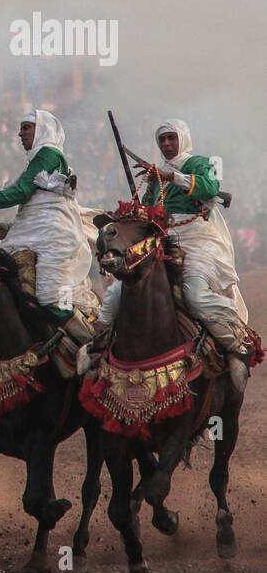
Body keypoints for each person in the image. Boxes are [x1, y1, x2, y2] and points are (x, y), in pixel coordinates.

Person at [96, 119, 255, 384]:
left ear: (182, 138)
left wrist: (169, 175)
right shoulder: (154, 176)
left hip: (197, 237)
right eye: (162, 140)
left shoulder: (199, 163)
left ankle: (235, 346)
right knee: (116, 293)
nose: (167, 144)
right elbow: (148, 213)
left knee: (194, 295)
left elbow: (210, 187)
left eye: (171, 138)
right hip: (160, 239)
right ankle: (97, 348)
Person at [0, 109, 98, 339]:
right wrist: (10, 227)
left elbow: (21, 192)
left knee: (50, 297)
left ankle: (89, 343)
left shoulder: (48, 152)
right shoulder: (39, 159)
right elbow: (37, 209)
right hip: (40, 234)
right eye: (21, 128)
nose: (20, 133)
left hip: (54, 238)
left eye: (26, 128)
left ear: (43, 129)